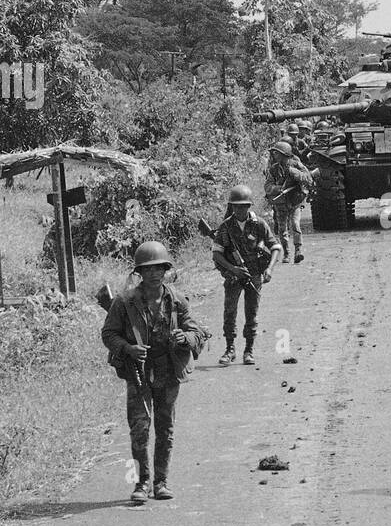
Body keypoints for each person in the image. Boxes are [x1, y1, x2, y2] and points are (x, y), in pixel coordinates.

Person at [101, 241, 209, 503]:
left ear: (166, 270)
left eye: (159, 268)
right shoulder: (124, 302)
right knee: (139, 428)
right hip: (138, 372)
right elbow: (108, 334)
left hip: (169, 370)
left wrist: (186, 338)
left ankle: (161, 482)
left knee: (165, 428)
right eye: (148, 269)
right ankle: (142, 483)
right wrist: (127, 348)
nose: (154, 274)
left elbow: (198, 331)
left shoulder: (176, 300)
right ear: (139, 272)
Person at [207, 185, 282, 366]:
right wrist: (233, 269)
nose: (239, 209)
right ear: (231, 207)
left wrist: (269, 269)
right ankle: (230, 349)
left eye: (243, 206)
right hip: (233, 276)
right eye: (236, 206)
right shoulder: (225, 227)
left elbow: (276, 247)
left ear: (249, 206)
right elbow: (217, 253)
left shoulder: (259, 224)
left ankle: (249, 350)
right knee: (230, 313)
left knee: (252, 314)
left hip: (254, 275)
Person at [265, 140, 311, 264]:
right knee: (282, 229)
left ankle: (298, 250)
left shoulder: (296, 165)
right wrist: (279, 188)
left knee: (295, 225)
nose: (274, 155)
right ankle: (286, 253)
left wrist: (294, 173)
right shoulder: (273, 169)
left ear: (284, 154)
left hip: (295, 201)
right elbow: (267, 187)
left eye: (277, 153)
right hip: (281, 203)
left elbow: (308, 178)